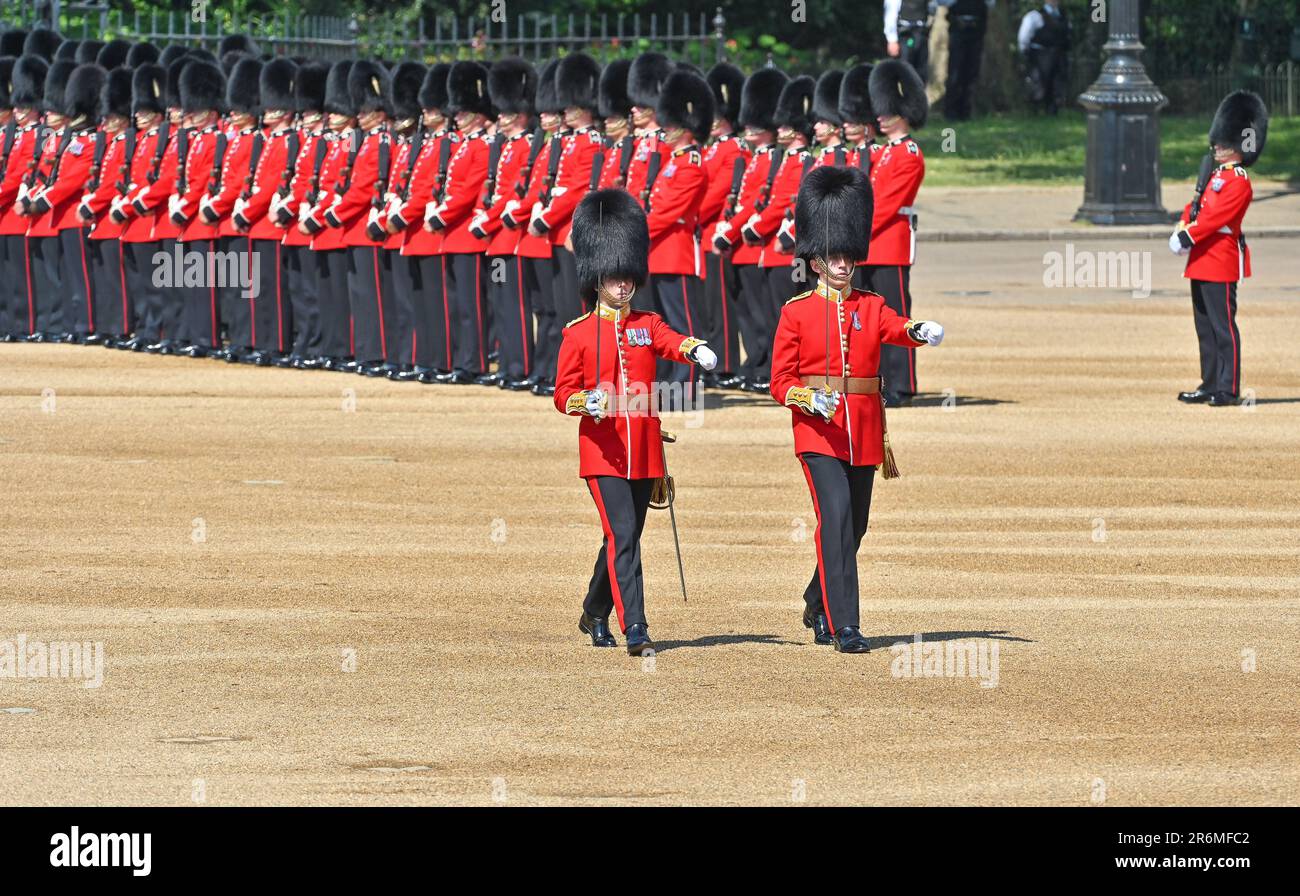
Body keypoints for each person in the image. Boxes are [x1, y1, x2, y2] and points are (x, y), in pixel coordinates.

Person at [770, 165, 944, 653]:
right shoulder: (796, 311)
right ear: (817, 263)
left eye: (848, 257)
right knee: (838, 516)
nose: (843, 265)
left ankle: (817, 598)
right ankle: (846, 624)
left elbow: (893, 326)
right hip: (818, 433)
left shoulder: (870, 304)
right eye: (834, 258)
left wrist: (918, 330)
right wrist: (808, 398)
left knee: (856, 525)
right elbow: (779, 381)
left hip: (864, 429)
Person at [553, 189, 717, 656]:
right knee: (622, 534)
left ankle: (594, 611)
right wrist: (587, 401)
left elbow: (669, 340)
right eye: (614, 279)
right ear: (597, 278)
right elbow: (562, 395)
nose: (623, 287)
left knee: (623, 537)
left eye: (628, 279)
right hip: (602, 451)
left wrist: (694, 348)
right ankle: (637, 626)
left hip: (645, 448)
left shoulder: (645, 322)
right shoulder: (578, 333)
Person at [1170, 90, 1267, 409]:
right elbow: (1197, 207)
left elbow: (1217, 218)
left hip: (1220, 260)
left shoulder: (1239, 181)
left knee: (1223, 326)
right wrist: (1183, 224)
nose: (1217, 146)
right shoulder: (1215, 175)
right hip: (1202, 259)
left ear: (1239, 146)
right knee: (1204, 325)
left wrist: (1189, 236)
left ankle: (1228, 387)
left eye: (1224, 141)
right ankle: (1210, 382)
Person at [860, 59, 927, 408]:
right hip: (870, 244)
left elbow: (885, 206)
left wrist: (855, 228)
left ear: (903, 111)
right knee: (872, 319)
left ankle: (903, 384)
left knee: (897, 317)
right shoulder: (884, 153)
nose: (880, 117)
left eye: (887, 111)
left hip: (889, 244)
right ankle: (881, 381)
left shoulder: (909, 155)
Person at [940, 0, 993, 121]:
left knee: (971, 74)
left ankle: (966, 111)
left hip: (976, 33)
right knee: (955, 72)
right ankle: (951, 111)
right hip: (958, 33)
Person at [1018, 2, 1071, 115]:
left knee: (1057, 83)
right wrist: (1026, 52)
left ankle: (1053, 108)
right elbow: (1024, 37)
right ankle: (1034, 109)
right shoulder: (1034, 16)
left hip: (1059, 55)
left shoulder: (1063, 17)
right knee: (1038, 82)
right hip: (1040, 55)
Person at [885, 0, 935, 83]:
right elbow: (890, 13)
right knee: (905, 69)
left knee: (921, 71)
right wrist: (892, 39)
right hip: (905, 33)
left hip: (921, 32)